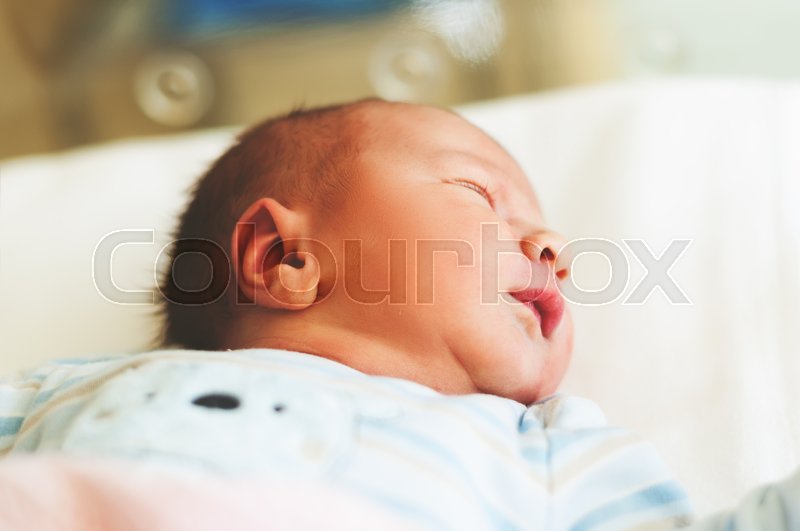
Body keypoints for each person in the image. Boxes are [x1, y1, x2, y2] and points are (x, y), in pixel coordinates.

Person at [0, 99, 794, 530]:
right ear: (286, 259)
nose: (552, 243)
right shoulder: (62, 389)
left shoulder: (550, 449)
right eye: (480, 194)